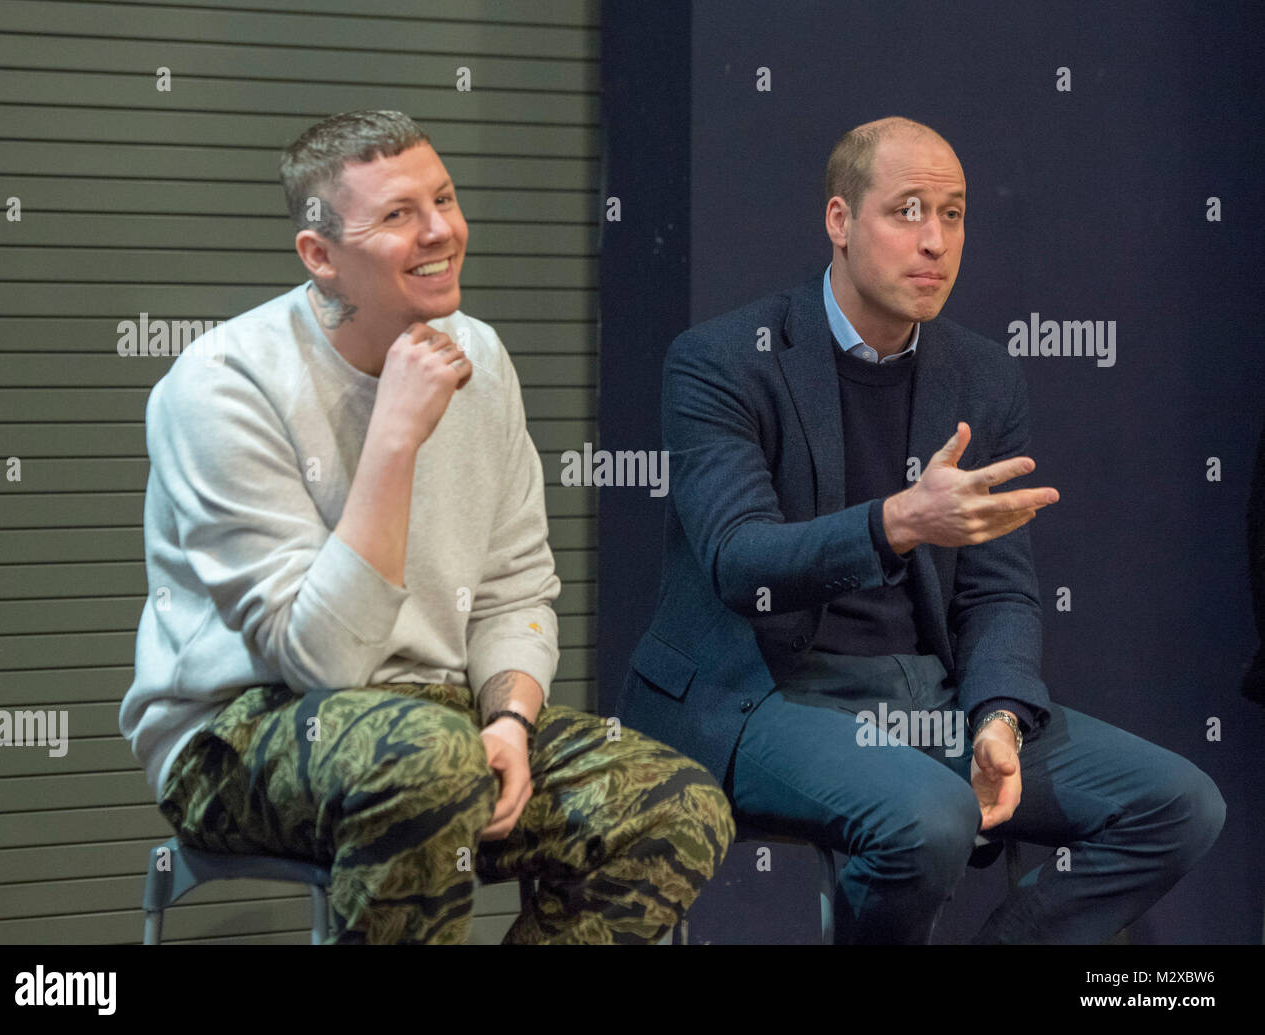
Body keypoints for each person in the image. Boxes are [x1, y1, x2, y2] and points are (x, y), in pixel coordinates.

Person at [119, 109, 733, 945]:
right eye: (397, 215)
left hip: (440, 716)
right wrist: (395, 435)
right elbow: (321, 661)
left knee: (674, 805)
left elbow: (516, 585)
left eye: (443, 198)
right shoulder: (223, 386)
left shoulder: (480, 354)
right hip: (238, 730)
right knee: (427, 764)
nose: (441, 230)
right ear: (321, 257)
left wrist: (510, 719)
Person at [616, 116, 1225, 944]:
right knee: (931, 816)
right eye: (907, 211)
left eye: (953, 213)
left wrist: (998, 718)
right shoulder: (723, 360)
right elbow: (739, 560)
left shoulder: (981, 376)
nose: (934, 241)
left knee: (1179, 804)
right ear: (839, 220)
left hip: (924, 696)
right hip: (756, 689)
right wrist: (898, 521)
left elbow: (1001, 590)